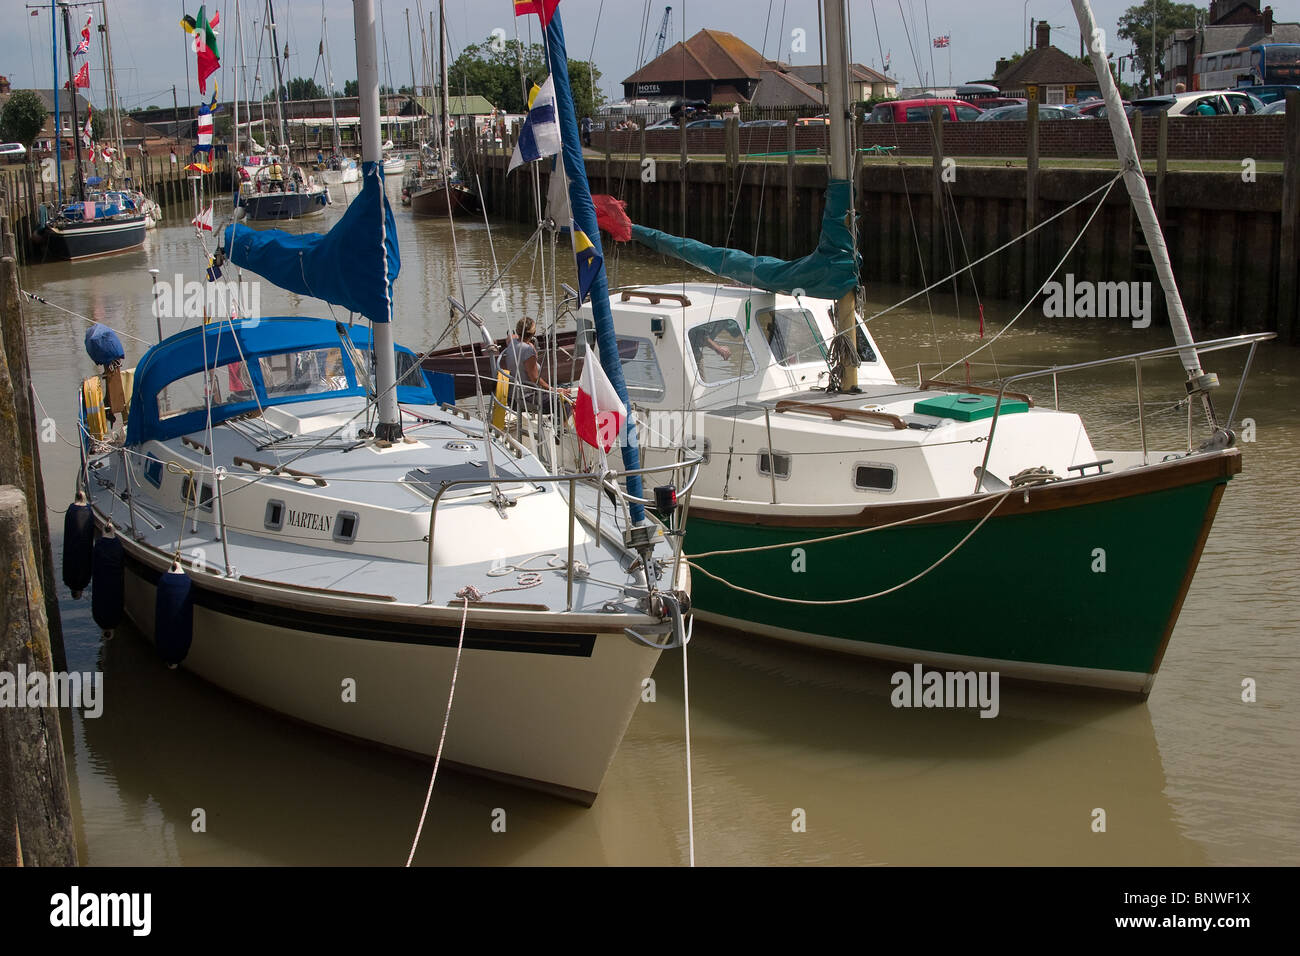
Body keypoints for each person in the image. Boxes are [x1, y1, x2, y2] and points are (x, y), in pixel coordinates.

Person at [500, 317, 571, 415]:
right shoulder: (528, 351)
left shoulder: (512, 342)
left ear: (517, 331)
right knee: (565, 400)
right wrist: (554, 390)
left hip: (512, 396)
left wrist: (528, 343)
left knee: (558, 391)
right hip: (526, 397)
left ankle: (554, 422)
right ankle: (561, 429)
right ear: (533, 334)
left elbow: (510, 337)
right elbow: (535, 379)